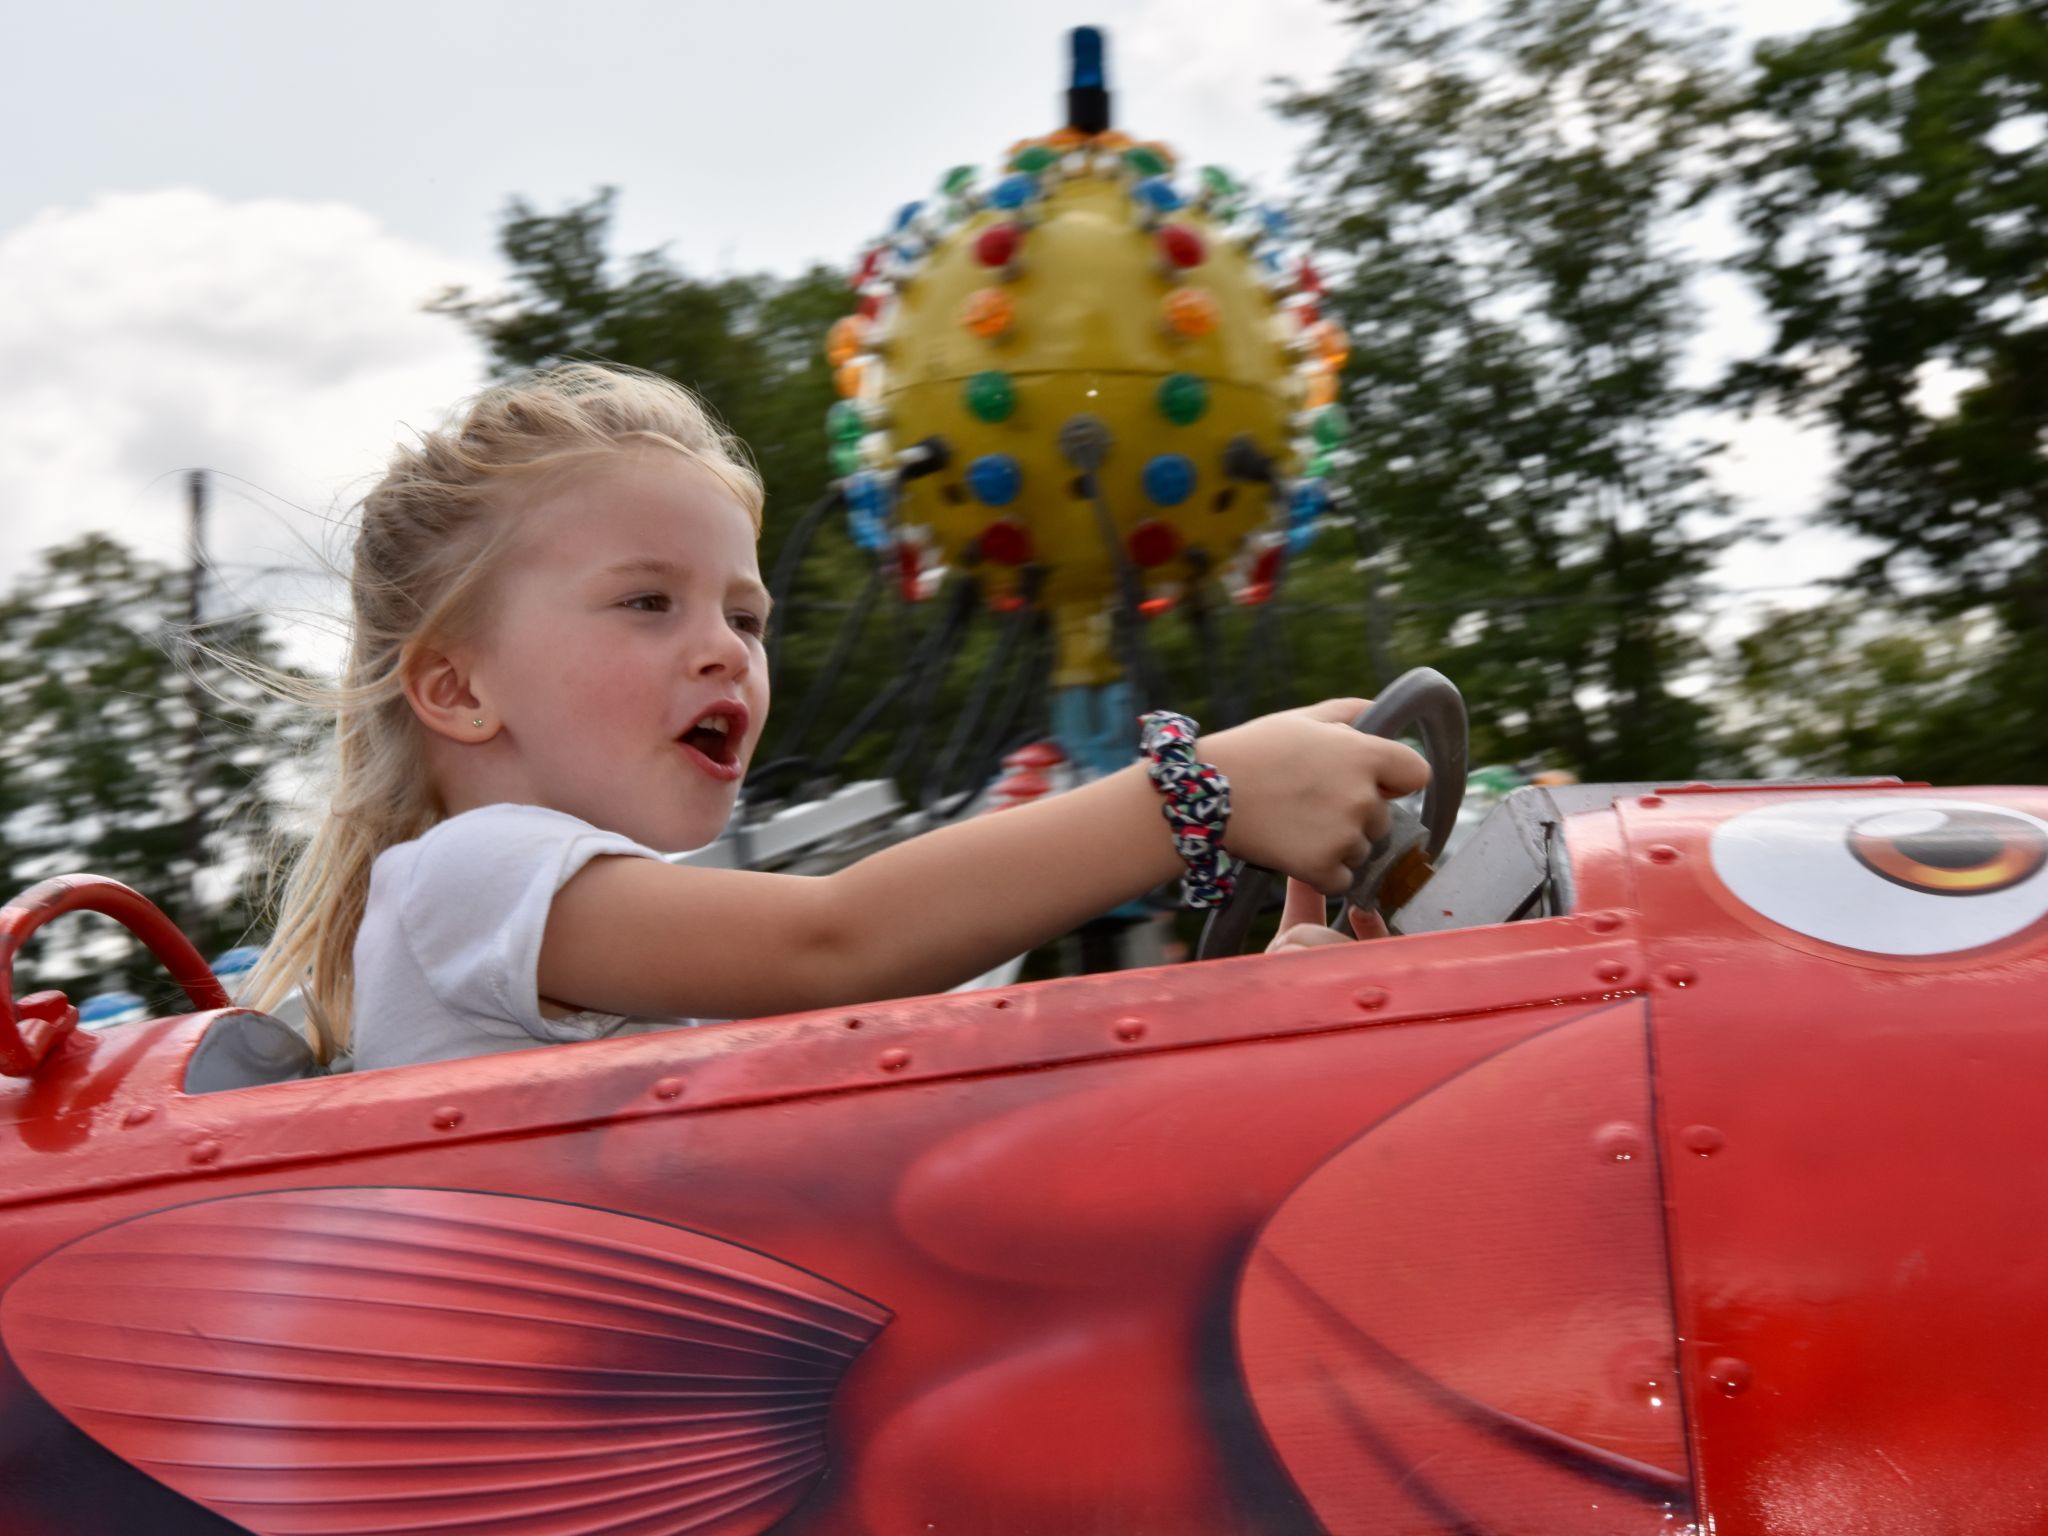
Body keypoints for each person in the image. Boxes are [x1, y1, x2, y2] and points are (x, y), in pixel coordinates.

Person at [245, 364, 1428, 1072]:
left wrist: (1236, 1011)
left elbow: (891, 1056)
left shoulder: (573, 922)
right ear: (457, 689)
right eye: (647, 602)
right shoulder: (468, 874)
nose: (727, 647)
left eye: (747, 617)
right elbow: (837, 943)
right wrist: (1197, 793)